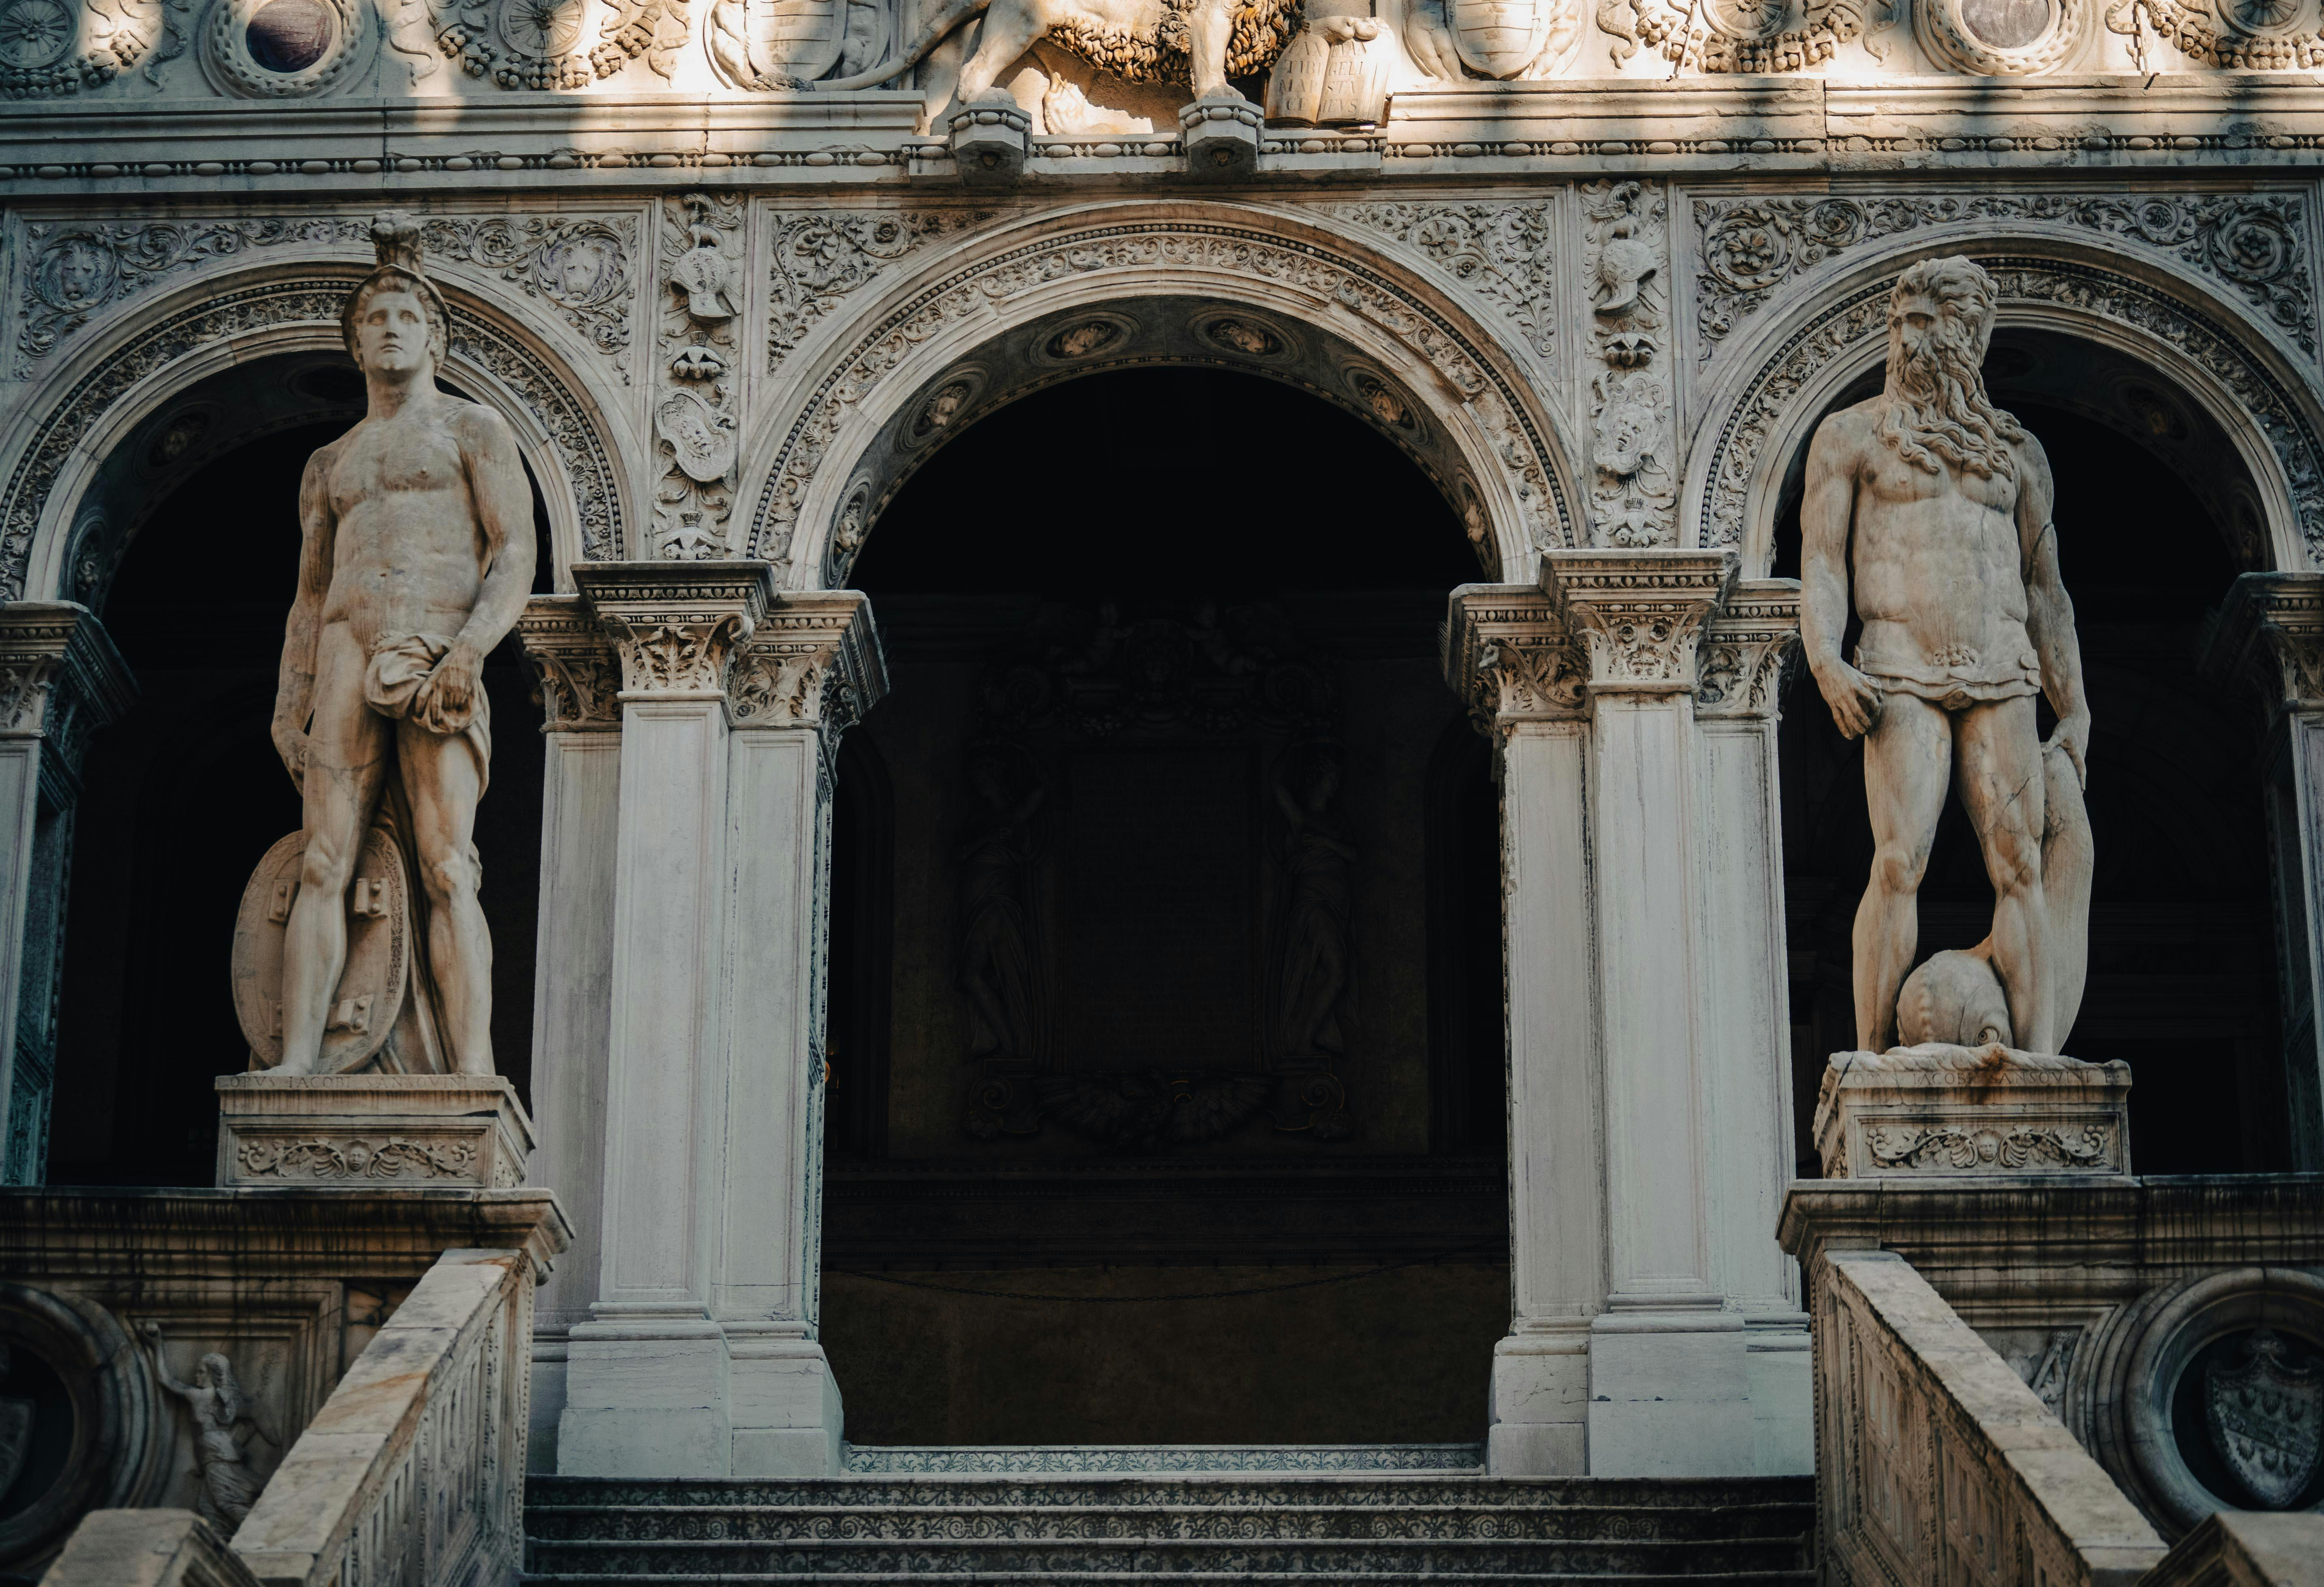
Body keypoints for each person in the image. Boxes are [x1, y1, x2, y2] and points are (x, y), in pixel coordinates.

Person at [1801, 255, 2092, 1055]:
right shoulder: (1852, 436)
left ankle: (2036, 1066)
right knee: (1898, 861)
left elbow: (2044, 590)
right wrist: (1825, 659)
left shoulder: (2015, 453)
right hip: (1897, 667)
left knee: (2020, 867)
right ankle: (1868, 1061)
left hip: (2001, 668)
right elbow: (1822, 562)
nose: (1910, 340)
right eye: (1901, 324)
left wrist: (2075, 707)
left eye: (1929, 325)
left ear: (1971, 335)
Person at [268, 215, 534, 1077]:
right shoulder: (330, 461)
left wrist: (470, 651)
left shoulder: (472, 429)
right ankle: (298, 1062)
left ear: (434, 338)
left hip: (435, 651)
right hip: (346, 654)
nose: (390, 329)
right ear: (353, 345)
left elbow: (516, 551)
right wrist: (287, 700)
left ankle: (472, 1069)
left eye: (406, 318)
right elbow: (309, 597)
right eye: (374, 320)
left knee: (449, 866)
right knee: (322, 864)